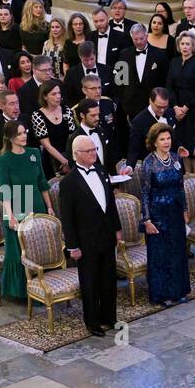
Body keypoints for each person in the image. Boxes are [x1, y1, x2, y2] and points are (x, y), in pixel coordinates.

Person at [59, 133, 121, 336]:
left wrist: (117, 227)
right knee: (90, 282)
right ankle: (92, 323)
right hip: (86, 240)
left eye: (94, 149)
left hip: (106, 234)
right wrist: (72, 246)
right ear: (77, 154)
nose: (94, 153)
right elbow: (67, 217)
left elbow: (110, 202)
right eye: (89, 151)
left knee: (108, 279)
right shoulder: (68, 182)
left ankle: (109, 317)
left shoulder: (101, 171)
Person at [0, 118, 52, 303]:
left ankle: (43, 288)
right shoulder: (3, 160)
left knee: (40, 247)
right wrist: (10, 216)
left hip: (37, 205)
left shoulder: (34, 153)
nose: (24, 135)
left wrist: (49, 207)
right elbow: (5, 189)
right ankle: (22, 292)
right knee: (21, 251)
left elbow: (42, 182)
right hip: (17, 208)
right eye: (19, 133)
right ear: (10, 137)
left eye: (25, 131)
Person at [139, 123, 190, 306]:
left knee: (177, 252)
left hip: (175, 213)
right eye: (162, 139)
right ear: (154, 142)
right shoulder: (148, 163)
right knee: (161, 255)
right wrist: (147, 220)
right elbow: (144, 193)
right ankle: (163, 294)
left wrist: (184, 210)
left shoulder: (176, 158)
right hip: (158, 215)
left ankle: (179, 290)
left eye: (168, 138)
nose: (167, 142)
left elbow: (181, 187)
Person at [166, 30, 195, 169]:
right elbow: (169, 87)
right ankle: (187, 178)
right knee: (182, 147)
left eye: (188, 44)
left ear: (193, 46)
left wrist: (185, 108)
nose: (184, 47)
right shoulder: (174, 62)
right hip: (176, 110)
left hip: (193, 111)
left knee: (193, 148)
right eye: (182, 43)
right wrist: (176, 107)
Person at [29, 77, 75, 177]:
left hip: (70, 155)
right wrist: (64, 161)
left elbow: (72, 137)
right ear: (45, 97)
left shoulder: (66, 110)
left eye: (59, 93)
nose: (58, 96)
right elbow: (47, 145)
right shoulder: (37, 115)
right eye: (54, 94)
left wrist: (69, 160)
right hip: (51, 161)